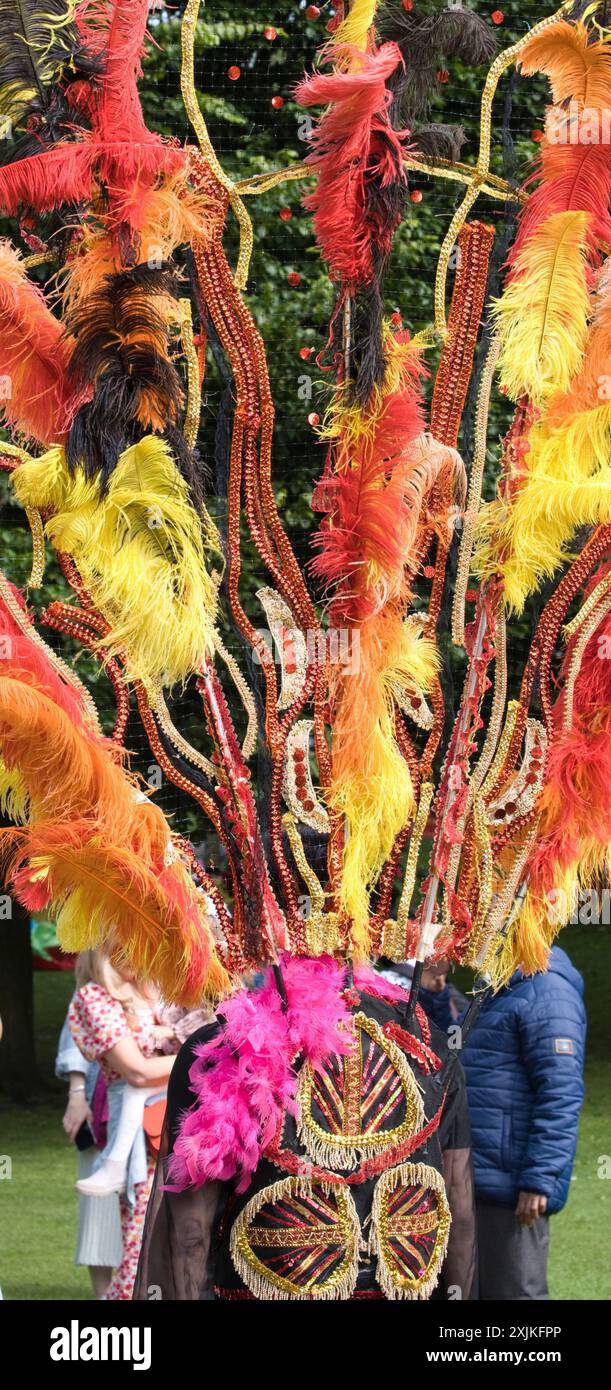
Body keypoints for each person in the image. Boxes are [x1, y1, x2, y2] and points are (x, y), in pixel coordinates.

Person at [461, 944, 586, 1300]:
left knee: (515, 1293)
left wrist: (539, 1178)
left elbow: (560, 1092)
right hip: (480, 1177)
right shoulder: (498, 988)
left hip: (514, 1186)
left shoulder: (548, 992)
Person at [68, 950, 176, 1300]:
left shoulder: (161, 989)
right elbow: (137, 1071)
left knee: (187, 1240)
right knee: (141, 1241)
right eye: (123, 947)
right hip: (143, 1138)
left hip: (185, 1125)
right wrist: (200, 1056)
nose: (137, 953)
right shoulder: (96, 998)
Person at [56, 1012, 123, 1297]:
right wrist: (76, 1093)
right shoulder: (96, 981)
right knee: (98, 1212)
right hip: (101, 1102)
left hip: (157, 1103)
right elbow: (75, 1030)